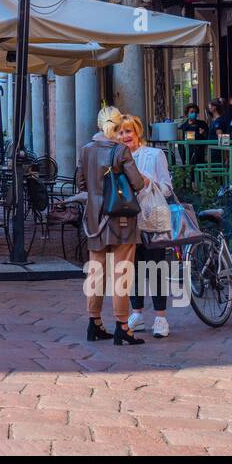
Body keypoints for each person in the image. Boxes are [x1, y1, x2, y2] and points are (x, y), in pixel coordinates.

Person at [76, 106, 147, 345]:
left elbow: (81, 183)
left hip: (95, 219)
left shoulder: (86, 150)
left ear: (99, 125)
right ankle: (122, 326)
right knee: (121, 273)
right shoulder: (120, 150)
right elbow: (137, 183)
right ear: (117, 125)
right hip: (120, 218)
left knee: (96, 272)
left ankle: (94, 322)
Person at [119, 115, 171, 339]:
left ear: (137, 132)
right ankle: (137, 313)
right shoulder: (116, 157)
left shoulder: (154, 155)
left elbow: (168, 188)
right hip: (127, 220)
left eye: (128, 131)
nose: (125, 137)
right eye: (120, 133)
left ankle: (161, 317)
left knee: (156, 266)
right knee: (132, 269)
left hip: (152, 218)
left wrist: (150, 182)